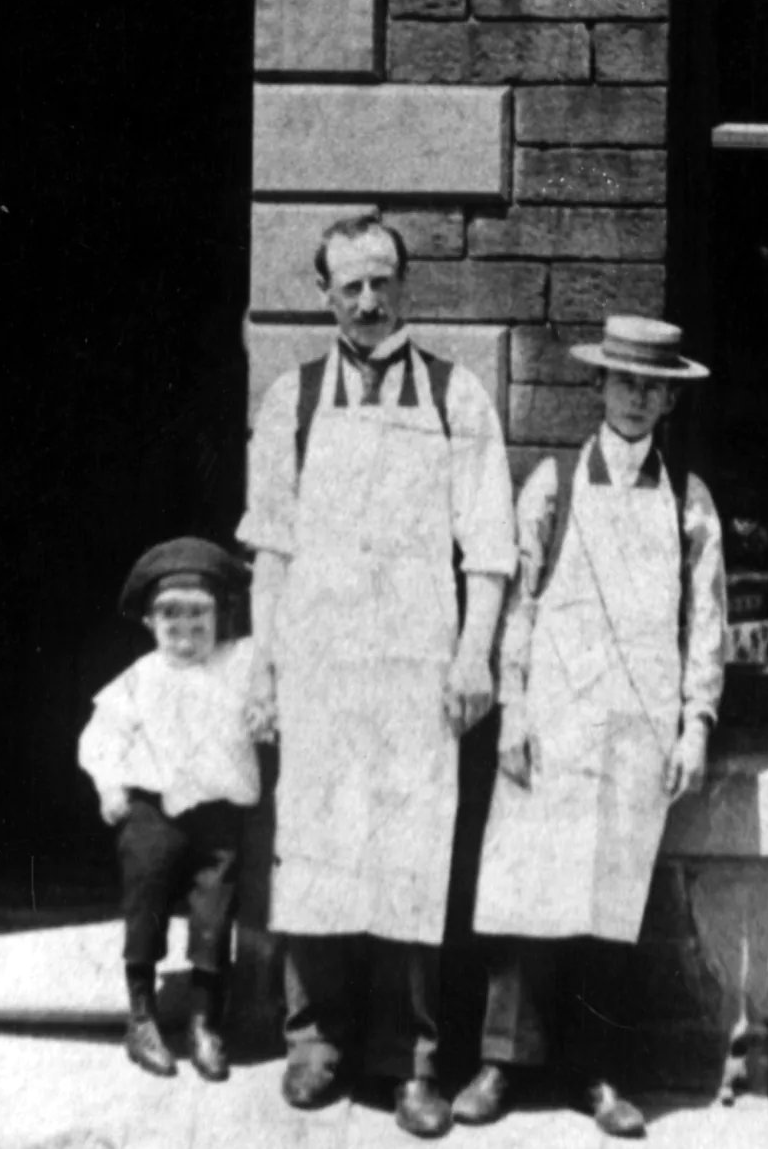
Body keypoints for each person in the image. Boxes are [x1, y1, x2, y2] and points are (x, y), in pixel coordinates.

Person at [239, 206, 516, 1138]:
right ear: (323, 293)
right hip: (320, 667)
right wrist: (265, 669)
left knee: (411, 855)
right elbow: (270, 550)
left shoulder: (453, 396)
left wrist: (473, 652)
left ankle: (413, 1061)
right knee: (315, 845)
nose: (367, 301)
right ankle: (313, 1040)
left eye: (382, 282)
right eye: (350, 285)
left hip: (414, 673)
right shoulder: (294, 401)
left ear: (406, 286)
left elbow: (490, 547)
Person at [452, 315, 728, 1140]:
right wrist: (513, 711)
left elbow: (706, 624)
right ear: (599, 384)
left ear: (670, 401)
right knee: (525, 891)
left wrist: (696, 726)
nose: (637, 398)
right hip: (554, 722)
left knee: (611, 903)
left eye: (654, 387)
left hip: (637, 727)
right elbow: (519, 606)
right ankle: (502, 1063)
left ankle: (597, 1073)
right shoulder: (554, 485)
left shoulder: (688, 502)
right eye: (625, 381)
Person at [77, 535, 260, 1083]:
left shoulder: (241, 665)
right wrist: (110, 787)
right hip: (153, 815)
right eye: (171, 621)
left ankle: (205, 1022)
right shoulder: (140, 678)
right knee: (147, 905)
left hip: (218, 817)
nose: (186, 633)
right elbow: (101, 737)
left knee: (214, 916)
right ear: (150, 624)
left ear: (221, 618)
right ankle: (142, 1018)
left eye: (199, 619)